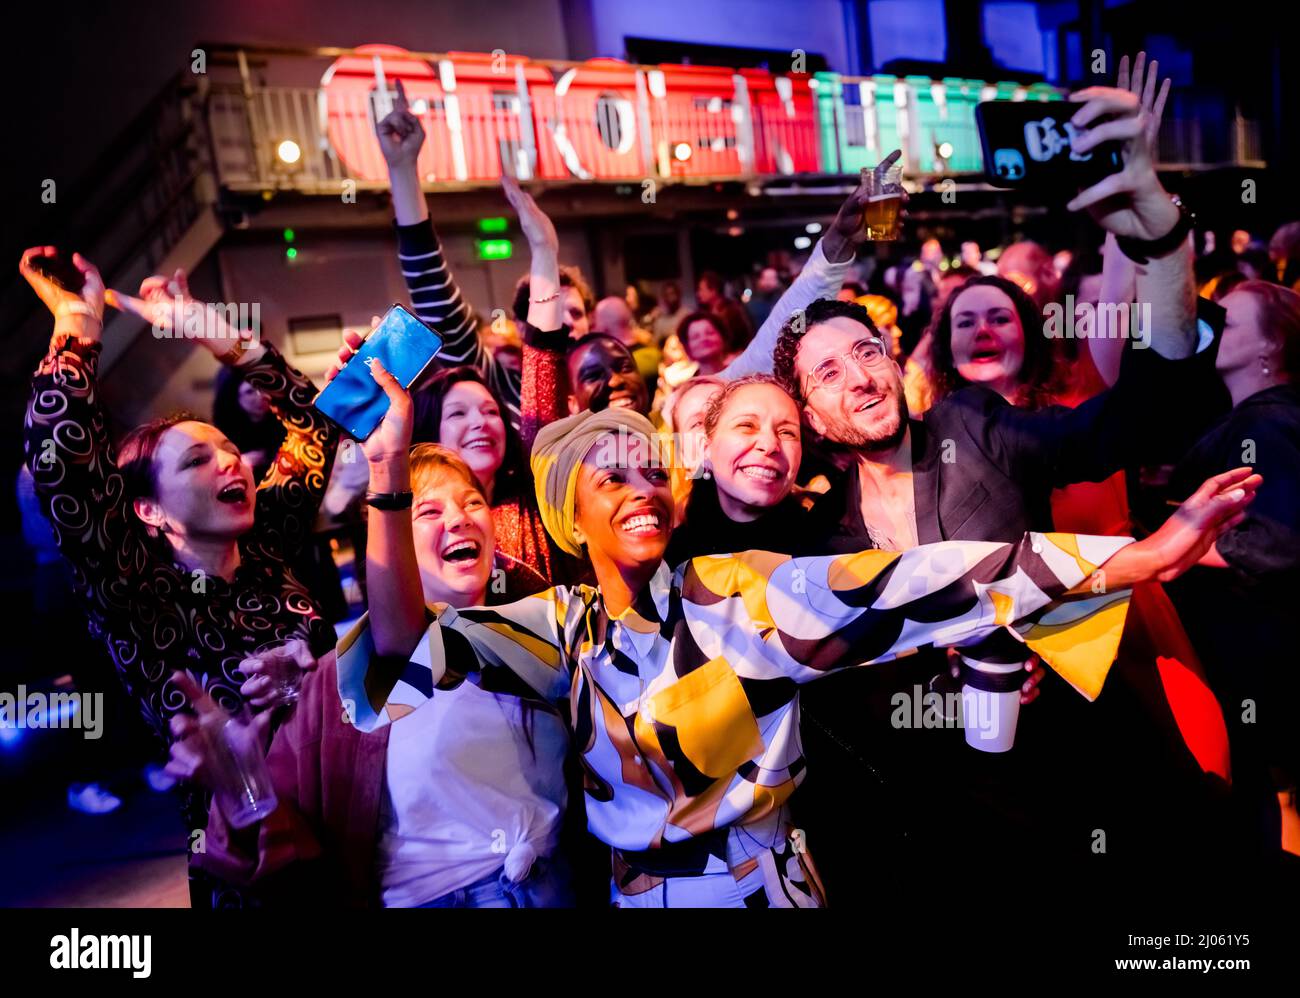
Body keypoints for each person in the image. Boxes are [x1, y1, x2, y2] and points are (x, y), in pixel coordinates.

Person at [336, 365, 1253, 906]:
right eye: (610, 479)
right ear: (570, 515)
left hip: (762, 890)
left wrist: (1138, 558)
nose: (642, 489)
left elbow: (916, 580)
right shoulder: (559, 631)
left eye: (654, 472)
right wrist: (385, 479)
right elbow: (404, 648)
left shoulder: (733, 593)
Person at [770, 83, 1232, 896]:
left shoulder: (973, 426)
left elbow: (1135, 421)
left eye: (869, 353)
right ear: (810, 415)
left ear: (896, 360)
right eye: (829, 375)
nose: (862, 379)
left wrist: (1162, 241)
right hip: (953, 829)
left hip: (1076, 769)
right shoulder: (823, 544)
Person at [20, 250, 337, 908]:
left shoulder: (265, 541)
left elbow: (312, 422)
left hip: (350, 809)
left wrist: (204, 325)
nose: (232, 462)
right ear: (150, 509)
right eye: (199, 460)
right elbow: (61, 462)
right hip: (253, 854)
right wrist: (77, 325)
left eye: (227, 447)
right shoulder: (135, 591)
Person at [174, 445, 572, 907]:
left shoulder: (543, 635)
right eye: (428, 510)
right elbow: (287, 863)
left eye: (472, 502)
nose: (460, 518)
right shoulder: (339, 681)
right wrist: (243, 784)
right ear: (390, 537)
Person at [1165, 281, 1300, 859]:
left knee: (1265, 803)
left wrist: (1166, 545)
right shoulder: (1262, 419)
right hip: (1264, 649)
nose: (1215, 331)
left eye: (1233, 324)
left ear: (1271, 348)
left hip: (1256, 651)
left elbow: (1275, 541)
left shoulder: (1264, 425)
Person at [378, 79, 588, 433]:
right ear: (522, 329)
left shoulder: (615, 387)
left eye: (576, 312)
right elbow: (436, 297)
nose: (564, 321)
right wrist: (401, 170)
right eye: (554, 310)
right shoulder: (503, 390)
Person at [212, 366, 287, 483]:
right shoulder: (224, 432)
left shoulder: (283, 419)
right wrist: (240, 461)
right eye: (249, 392)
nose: (260, 396)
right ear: (235, 398)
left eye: (262, 388)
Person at [593, 295, 661, 384]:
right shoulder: (655, 354)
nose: (594, 329)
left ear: (603, 328)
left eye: (595, 323)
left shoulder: (612, 371)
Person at [696, 270, 754, 349]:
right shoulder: (706, 312)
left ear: (713, 290)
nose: (698, 293)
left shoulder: (731, 310)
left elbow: (737, 340)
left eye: (701, 289)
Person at [677, 310, 737, 377]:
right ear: (687, 349)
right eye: (695, 337)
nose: (704, 339)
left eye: (709, 332)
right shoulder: (692, 386)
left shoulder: (740, 371)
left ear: (723, 337)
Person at [648, 281, 688, 346]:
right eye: (666, 295)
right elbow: (654, 343)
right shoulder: (661, 320)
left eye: (672, 294)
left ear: (678, 294)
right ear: (664, 298)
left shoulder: (686, 315)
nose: (670, 298)